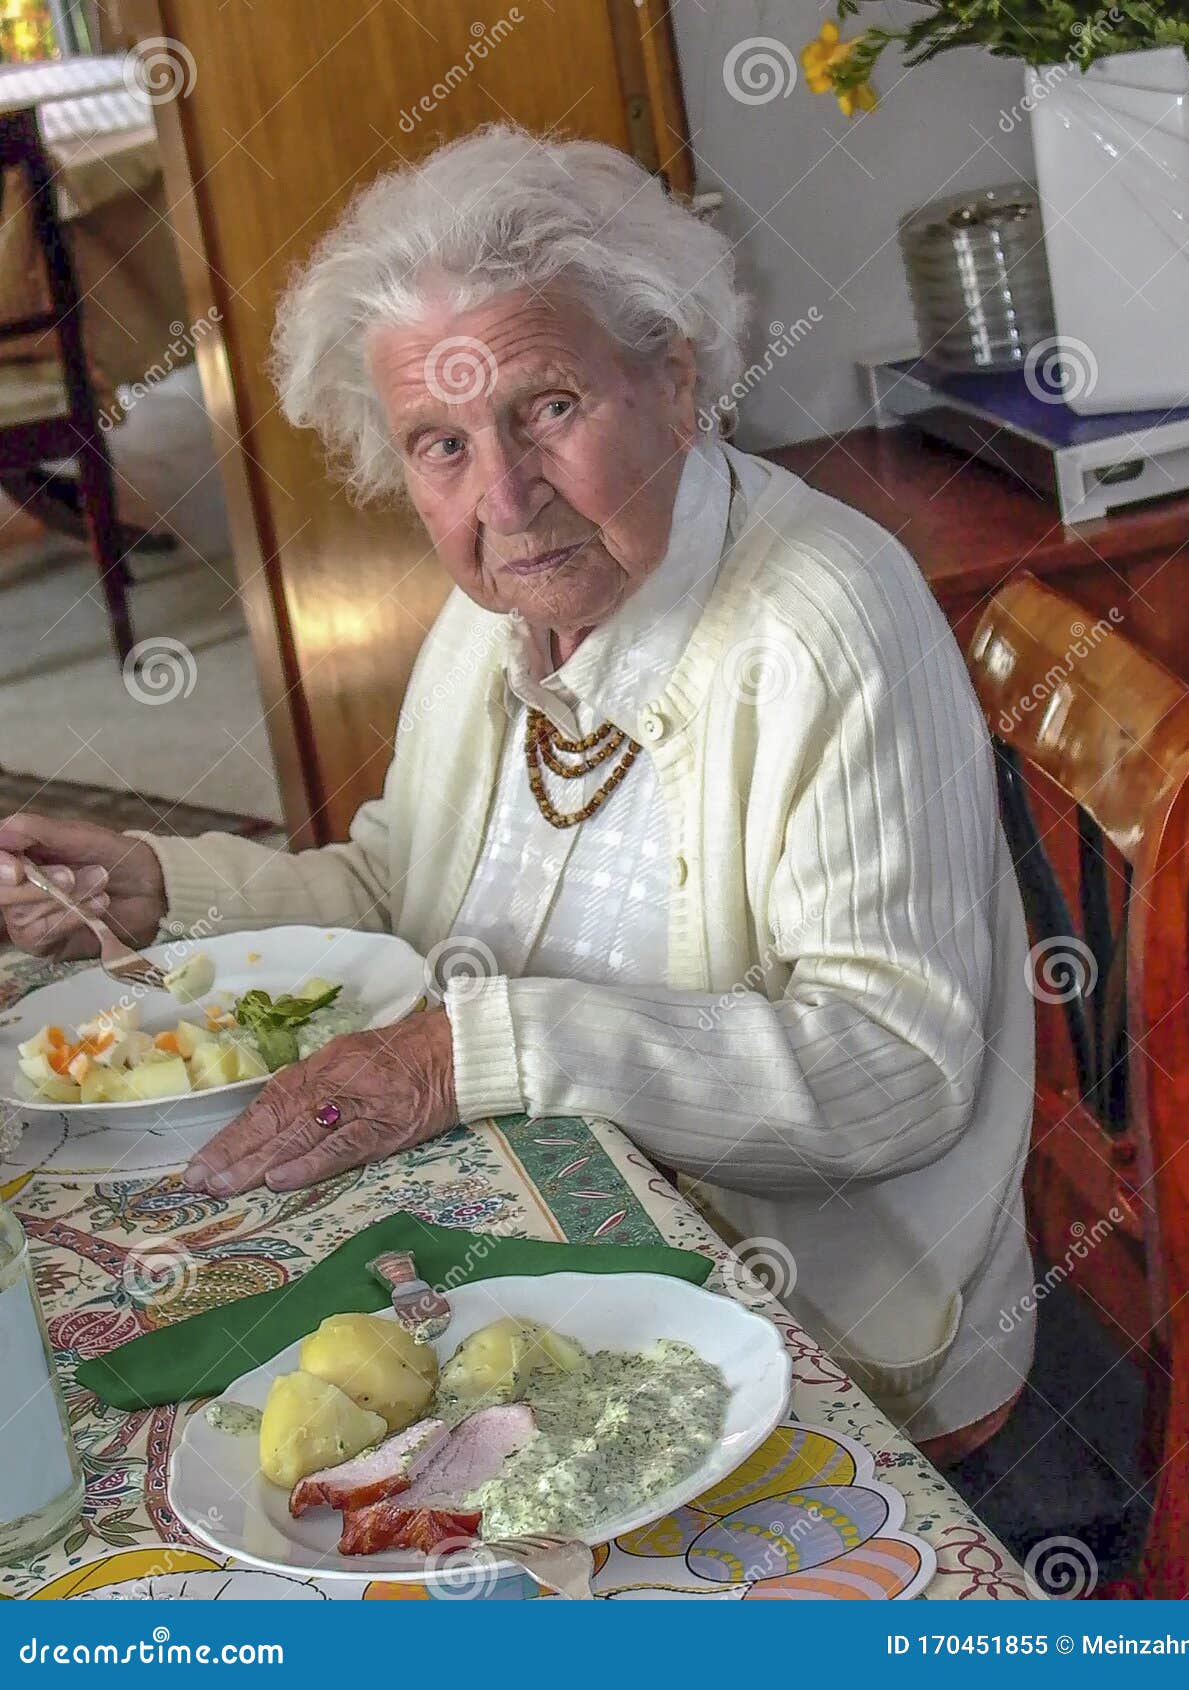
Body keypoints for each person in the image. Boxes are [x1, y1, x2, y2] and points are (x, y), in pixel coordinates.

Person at [0, 123, 1034, 1454]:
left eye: (545, 407)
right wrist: (159, 887)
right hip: (554, 1237)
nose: (503, 494)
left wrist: (473, 1049)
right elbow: (397, 892)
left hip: (817, 1311)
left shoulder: (821, 620)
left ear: (672, 381)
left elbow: (896, 1076)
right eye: (439, 443)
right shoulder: (498, 613)